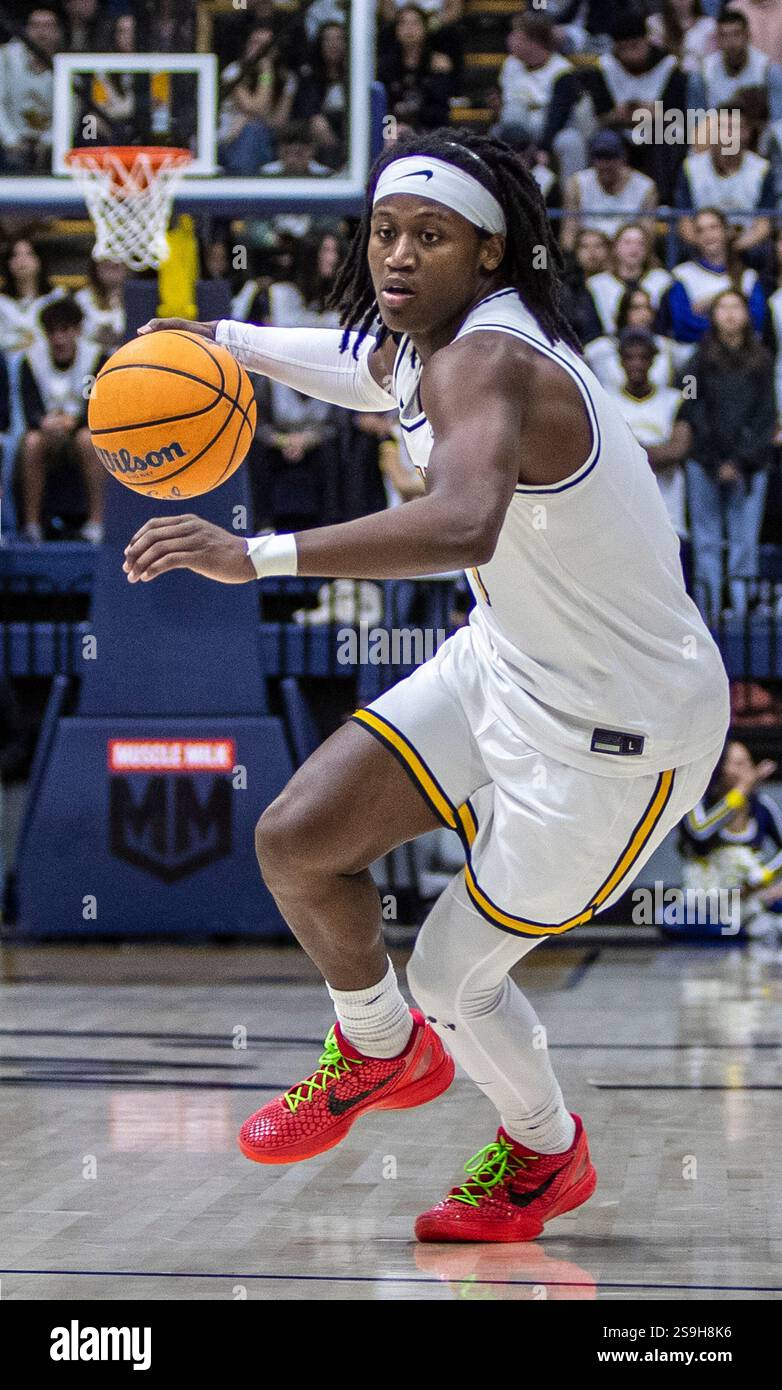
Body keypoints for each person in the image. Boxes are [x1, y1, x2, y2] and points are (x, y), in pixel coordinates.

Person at [124, 129, 731, 1243]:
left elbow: (459, 521)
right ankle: (373, 1041)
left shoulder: (490, 359)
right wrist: (220, 338)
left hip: (621, 735)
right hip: (503, 661)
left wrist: (254, 554)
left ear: (489, 255)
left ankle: (544, 1152)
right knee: (296, 838)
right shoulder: (426, 341)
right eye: (384, 232)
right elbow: (362, 364)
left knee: (456, 977)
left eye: (430, 236)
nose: (396, 257)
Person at [679, 287, 775, 622]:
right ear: (713, 316)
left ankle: (740, 612)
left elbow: (766, 414)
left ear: (747, 315)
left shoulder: (763, 359)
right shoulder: (696, 359)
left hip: (749, 465)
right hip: (705, 462)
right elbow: (690, 405)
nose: (731, 314)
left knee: (743, 541)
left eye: (737, 307)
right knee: (706, 539)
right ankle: (710, 612)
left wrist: (739, 460)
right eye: (723, 308)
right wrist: (717, 459)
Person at [16, 297, 105, 544]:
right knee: (32, 442)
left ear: (77, 330)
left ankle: (96, 523)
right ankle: (32, 526)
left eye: (65, 330)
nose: (59, 339)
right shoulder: (31, 361)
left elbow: (95, 404)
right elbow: (30, 407)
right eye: (52, 332)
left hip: (80, 430)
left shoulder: (95, 358)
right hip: (47, 433)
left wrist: (73, 423)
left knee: (89, 440)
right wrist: (45, 423)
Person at [679, 739, 782, 935]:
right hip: (708, 900)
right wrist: (740, 791)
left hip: (750, 896)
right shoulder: (697, 804)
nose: (746, 770)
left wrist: (765, 876)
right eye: (737, 764)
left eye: (748, 763)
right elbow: (700, 831)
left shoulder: (762, 807)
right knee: (666, 916)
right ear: (720, 768)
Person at [607, 327, 690, 539]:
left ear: (653, 361)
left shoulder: (675, 400)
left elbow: (676, 451)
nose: (636, 364)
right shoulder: (604, 401)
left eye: (643, 357)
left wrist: (628, 452)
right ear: (620, 361)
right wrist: (654, 451)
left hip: (667, 512)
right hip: (619, 513)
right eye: (629, 357)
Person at [660, 205, 767, 343]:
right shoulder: (682, 275)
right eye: (700, 230)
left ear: (726, 231)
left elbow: (757, 321)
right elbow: (683, 326)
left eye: (713, 227)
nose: (708, 235)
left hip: (741, 356)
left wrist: (710, 303)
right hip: (696, 356)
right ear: (695, 237)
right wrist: (732, 325)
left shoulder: (749, 277)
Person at [561, 130, 658, 252]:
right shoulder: (577, 183)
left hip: (627, 253)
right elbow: (569, 229)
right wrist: (569, 261)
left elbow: (647, 234)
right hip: (590, 252)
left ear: (623, 158)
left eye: (610, 158)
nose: (604, 165)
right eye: (599, 158)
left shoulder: (645, 186)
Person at [689, 4, 782, 117]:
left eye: (736, 34)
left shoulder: (768, 71)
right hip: (716, 131)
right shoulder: (701, 74)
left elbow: (778, 122)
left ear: (748, 36)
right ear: (717, 40)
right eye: (724, 36)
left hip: (760, 133)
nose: (731, 42)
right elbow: (695, 122)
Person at [584, 285, 687, 387]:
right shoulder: (601, 348)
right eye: (636, 308)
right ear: (624, 312)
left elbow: (692, 375)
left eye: (648, 308)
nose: (644, 314)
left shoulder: (666, 346)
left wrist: (690, 397)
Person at [0, 7, 61, 174]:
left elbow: (70, 114)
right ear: (26, 30)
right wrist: (11, 139)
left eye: (48, 26)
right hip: (10, 143)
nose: (42, 32)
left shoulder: (66, 64)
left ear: (58, 33)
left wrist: (50, 140)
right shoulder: (5, 57)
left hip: (51, 146)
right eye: (36, 26)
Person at [585, 221, 672, 335]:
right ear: (615, 247)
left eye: (640, 243)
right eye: (627, 242)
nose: (634, 248)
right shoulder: (596, 284)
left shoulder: (662, 280)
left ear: (647, 249)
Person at [0, 237, 63, 354]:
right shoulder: (1, 301)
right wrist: (18, 341)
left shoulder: (56, 297)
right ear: (8, 263)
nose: (21, 260)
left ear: (39, 260)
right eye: (15, 255)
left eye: (28, 254)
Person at [74, 257, 127, 354]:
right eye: (106, 262)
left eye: (117, 264)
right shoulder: (82, 298)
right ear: (96, 267)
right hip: (92, 359)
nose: (112, 264)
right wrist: (98, 333)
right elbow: (75, 336)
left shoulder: (137, 298)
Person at [647, 0, 717, 72]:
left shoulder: (709, 24)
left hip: (699, 75)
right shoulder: (655, 23)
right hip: (668, 76)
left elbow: (710, 60)